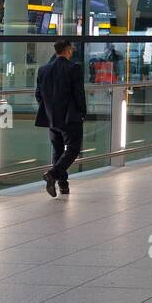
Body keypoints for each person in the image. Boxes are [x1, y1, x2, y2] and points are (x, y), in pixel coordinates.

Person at [35, 39, 86, 198]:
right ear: (68, 51)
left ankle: (63, 185)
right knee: (73, 148)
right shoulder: (74, 68)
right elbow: (78, 93)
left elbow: (38, 94)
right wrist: (82, 111)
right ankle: (53, 174)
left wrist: (49, 108)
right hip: (70, 116)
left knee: (58, 150)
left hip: (51, 117)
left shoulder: (43, 70)